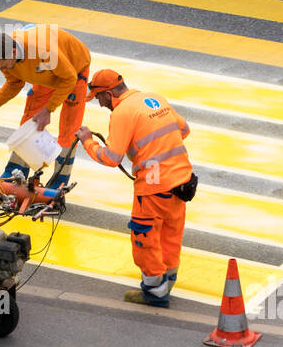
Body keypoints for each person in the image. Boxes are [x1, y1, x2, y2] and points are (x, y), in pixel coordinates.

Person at [75, 70, 195, 308]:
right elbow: (184, 130)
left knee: (144, 239)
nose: (99, 104)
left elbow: (111, 157)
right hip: (182, 180)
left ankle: (154, 292)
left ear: (109, 94)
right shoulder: (154, 98)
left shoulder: (122, 113)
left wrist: (88, 141)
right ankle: (167, 283)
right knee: (170, 235)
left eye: (99, 98)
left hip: (153, 187)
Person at [0, 26, 91, 188]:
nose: (3, 70)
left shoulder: (43, 51)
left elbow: (69, 78)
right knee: (31, 119)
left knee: (70, 128)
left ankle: (59, 182)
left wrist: (48, 110)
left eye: (4, 66)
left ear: (13, 52)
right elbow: (14, 83)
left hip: (74, 69)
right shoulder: (6, 58)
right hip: (46, 72)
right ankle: (15, 171)